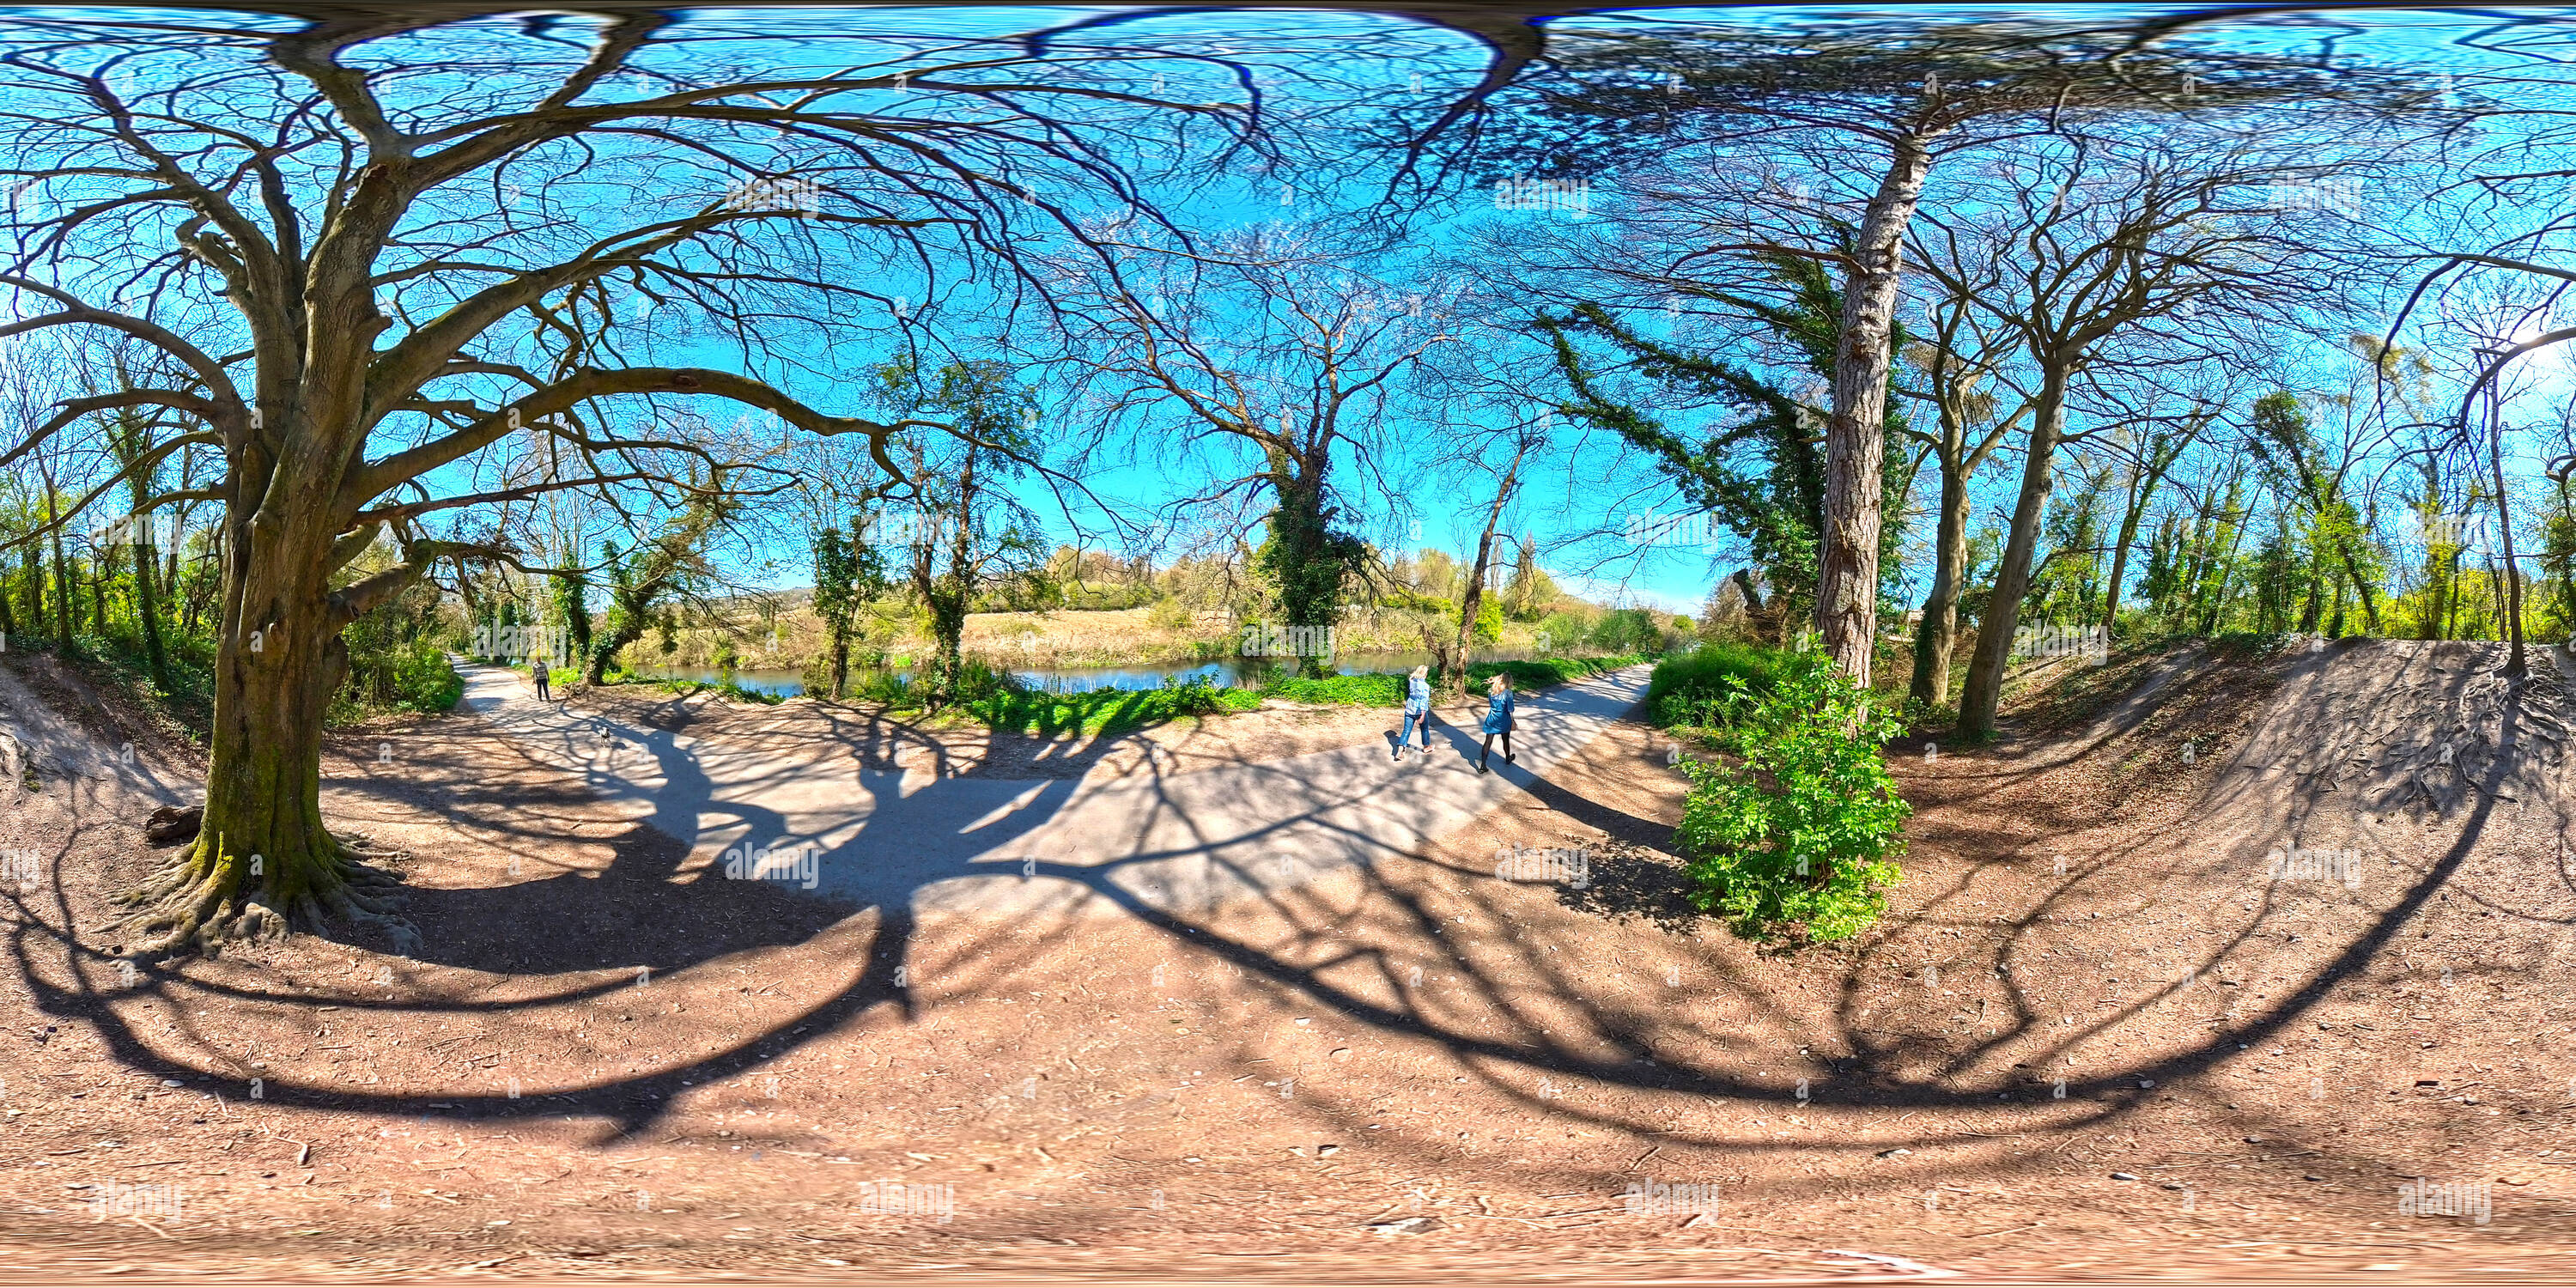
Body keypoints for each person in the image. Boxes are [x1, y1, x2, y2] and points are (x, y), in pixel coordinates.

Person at [1476, 672, 1516, 774]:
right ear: (1509, 681)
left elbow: (1491, 703)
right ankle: (1507, 758)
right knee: (1505, 739)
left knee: (1488, 741)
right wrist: (1513, 720)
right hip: (1504, 719)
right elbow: (1510, 709)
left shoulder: (1491, 691)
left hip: (1492, 718)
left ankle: (1483, 765)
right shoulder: (1508, 693)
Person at [1394, 665, 1432, 759]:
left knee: (1406, 730)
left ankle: (1401, 749)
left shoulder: (1412, 681)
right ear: (1425, 674)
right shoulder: (1425, 686)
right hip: (1419, 711)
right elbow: (1424, 700)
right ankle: (1426, 747)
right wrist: (1423, 714)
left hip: (1409, 709)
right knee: (1424, 729)